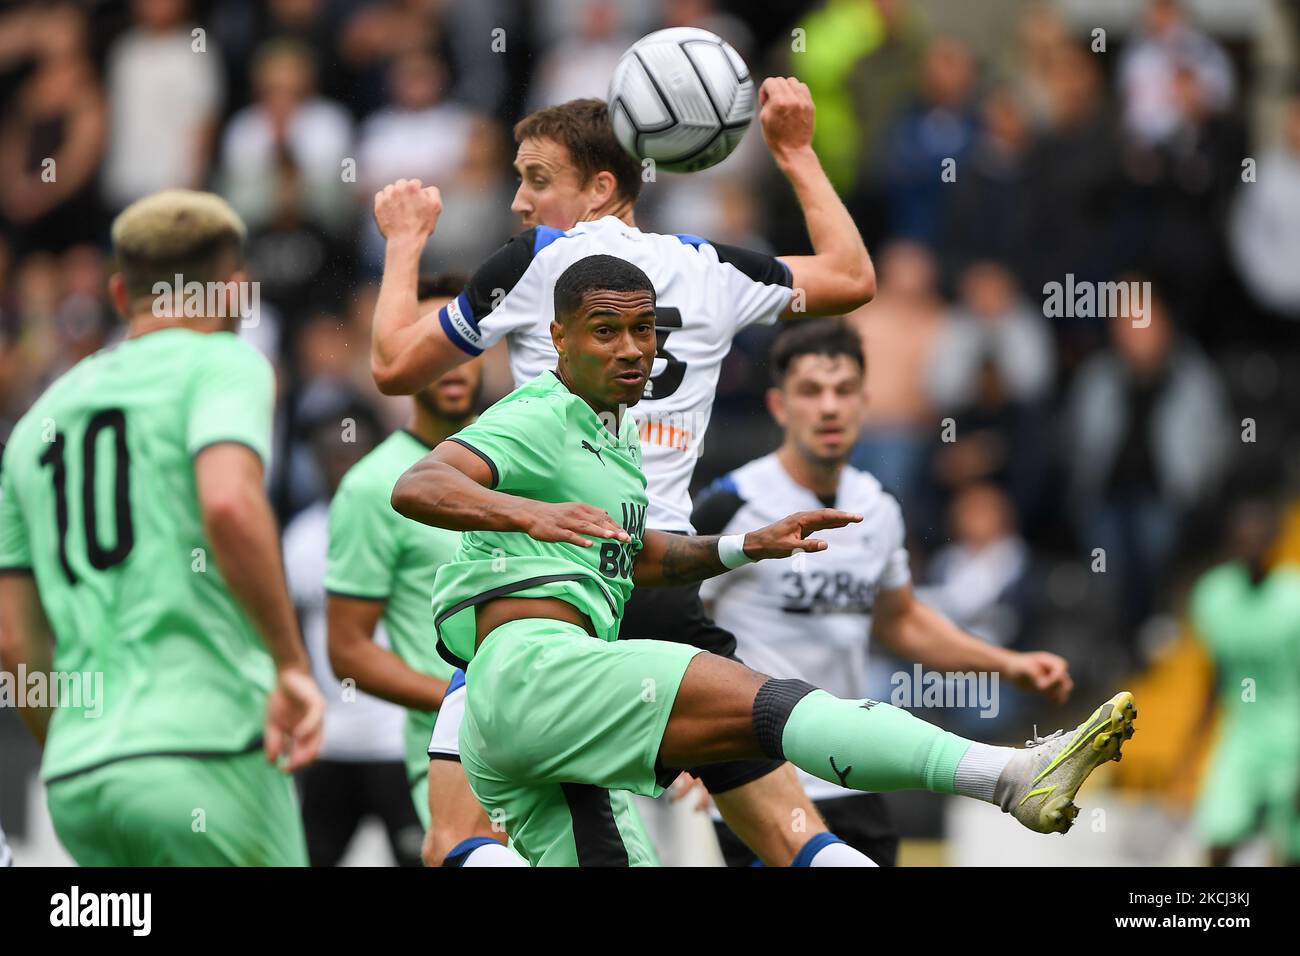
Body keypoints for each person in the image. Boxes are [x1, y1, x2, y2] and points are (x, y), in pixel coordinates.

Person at [390, 254, 1136, 866]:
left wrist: (746, 546)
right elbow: (420, 484)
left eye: (643, 331)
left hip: (523, 710)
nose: (628, 348)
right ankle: (1009, 776)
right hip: (535, 671)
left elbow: (642, 557)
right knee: (766, 706)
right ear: (558, 336)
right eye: (605, 330)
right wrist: (538, 515)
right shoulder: (537, 415)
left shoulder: (615, 443)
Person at [371, 79, 881, 867]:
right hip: (663, 579)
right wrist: (796, 153)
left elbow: (395, 365)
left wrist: (405, 241)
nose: (518, 201)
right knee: (796, 838)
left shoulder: (542, 261)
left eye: (537, 178)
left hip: (551, 597)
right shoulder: (711, 267)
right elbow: (850, 277)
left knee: (456, 837)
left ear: (601, 188)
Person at [0, 189, 323, 865]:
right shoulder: (223, 364)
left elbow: (12, 639)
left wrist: (73, 740)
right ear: (235, 291)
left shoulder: (35, 424)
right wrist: (292, 666)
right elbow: (230, 504)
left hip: (79, 778)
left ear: (120, 294)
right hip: (206, 749)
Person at [695, 318, 1072, 866]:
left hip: (853, 775)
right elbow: (680, 625)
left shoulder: (878, 506)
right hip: (761, 782)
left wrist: (1005, 664)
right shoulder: (731, 504)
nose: (829, 407)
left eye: (843, 391)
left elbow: (902, 622)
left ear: (863, 404)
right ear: (780, 407)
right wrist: (689, 742)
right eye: (811, 391)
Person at [326, 276, 524, 867]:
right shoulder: (369, 487)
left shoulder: (529, 459)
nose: (454, 363)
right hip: (451, 759)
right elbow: (349, 652)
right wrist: (461, 697)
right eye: (435, 347)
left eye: (467, 345)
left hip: (549, 738)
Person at [285, 386, 422, 867]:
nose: (339, 460)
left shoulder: (405, 523)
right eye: (327, 451)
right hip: (329, 743)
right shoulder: (298, 538)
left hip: (396, 739)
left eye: (349, 448)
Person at [1182, 497, 1300, 866]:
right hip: (1242, 733)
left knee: (1289, 847)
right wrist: (1193, 742)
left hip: (1292, 731)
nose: (1252, 546)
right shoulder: (1215, 595)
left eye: (1260, 537)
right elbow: (1216, 674)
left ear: (1274, 540)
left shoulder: (1292, 598)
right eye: (1243, 537)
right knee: (1220, 832)